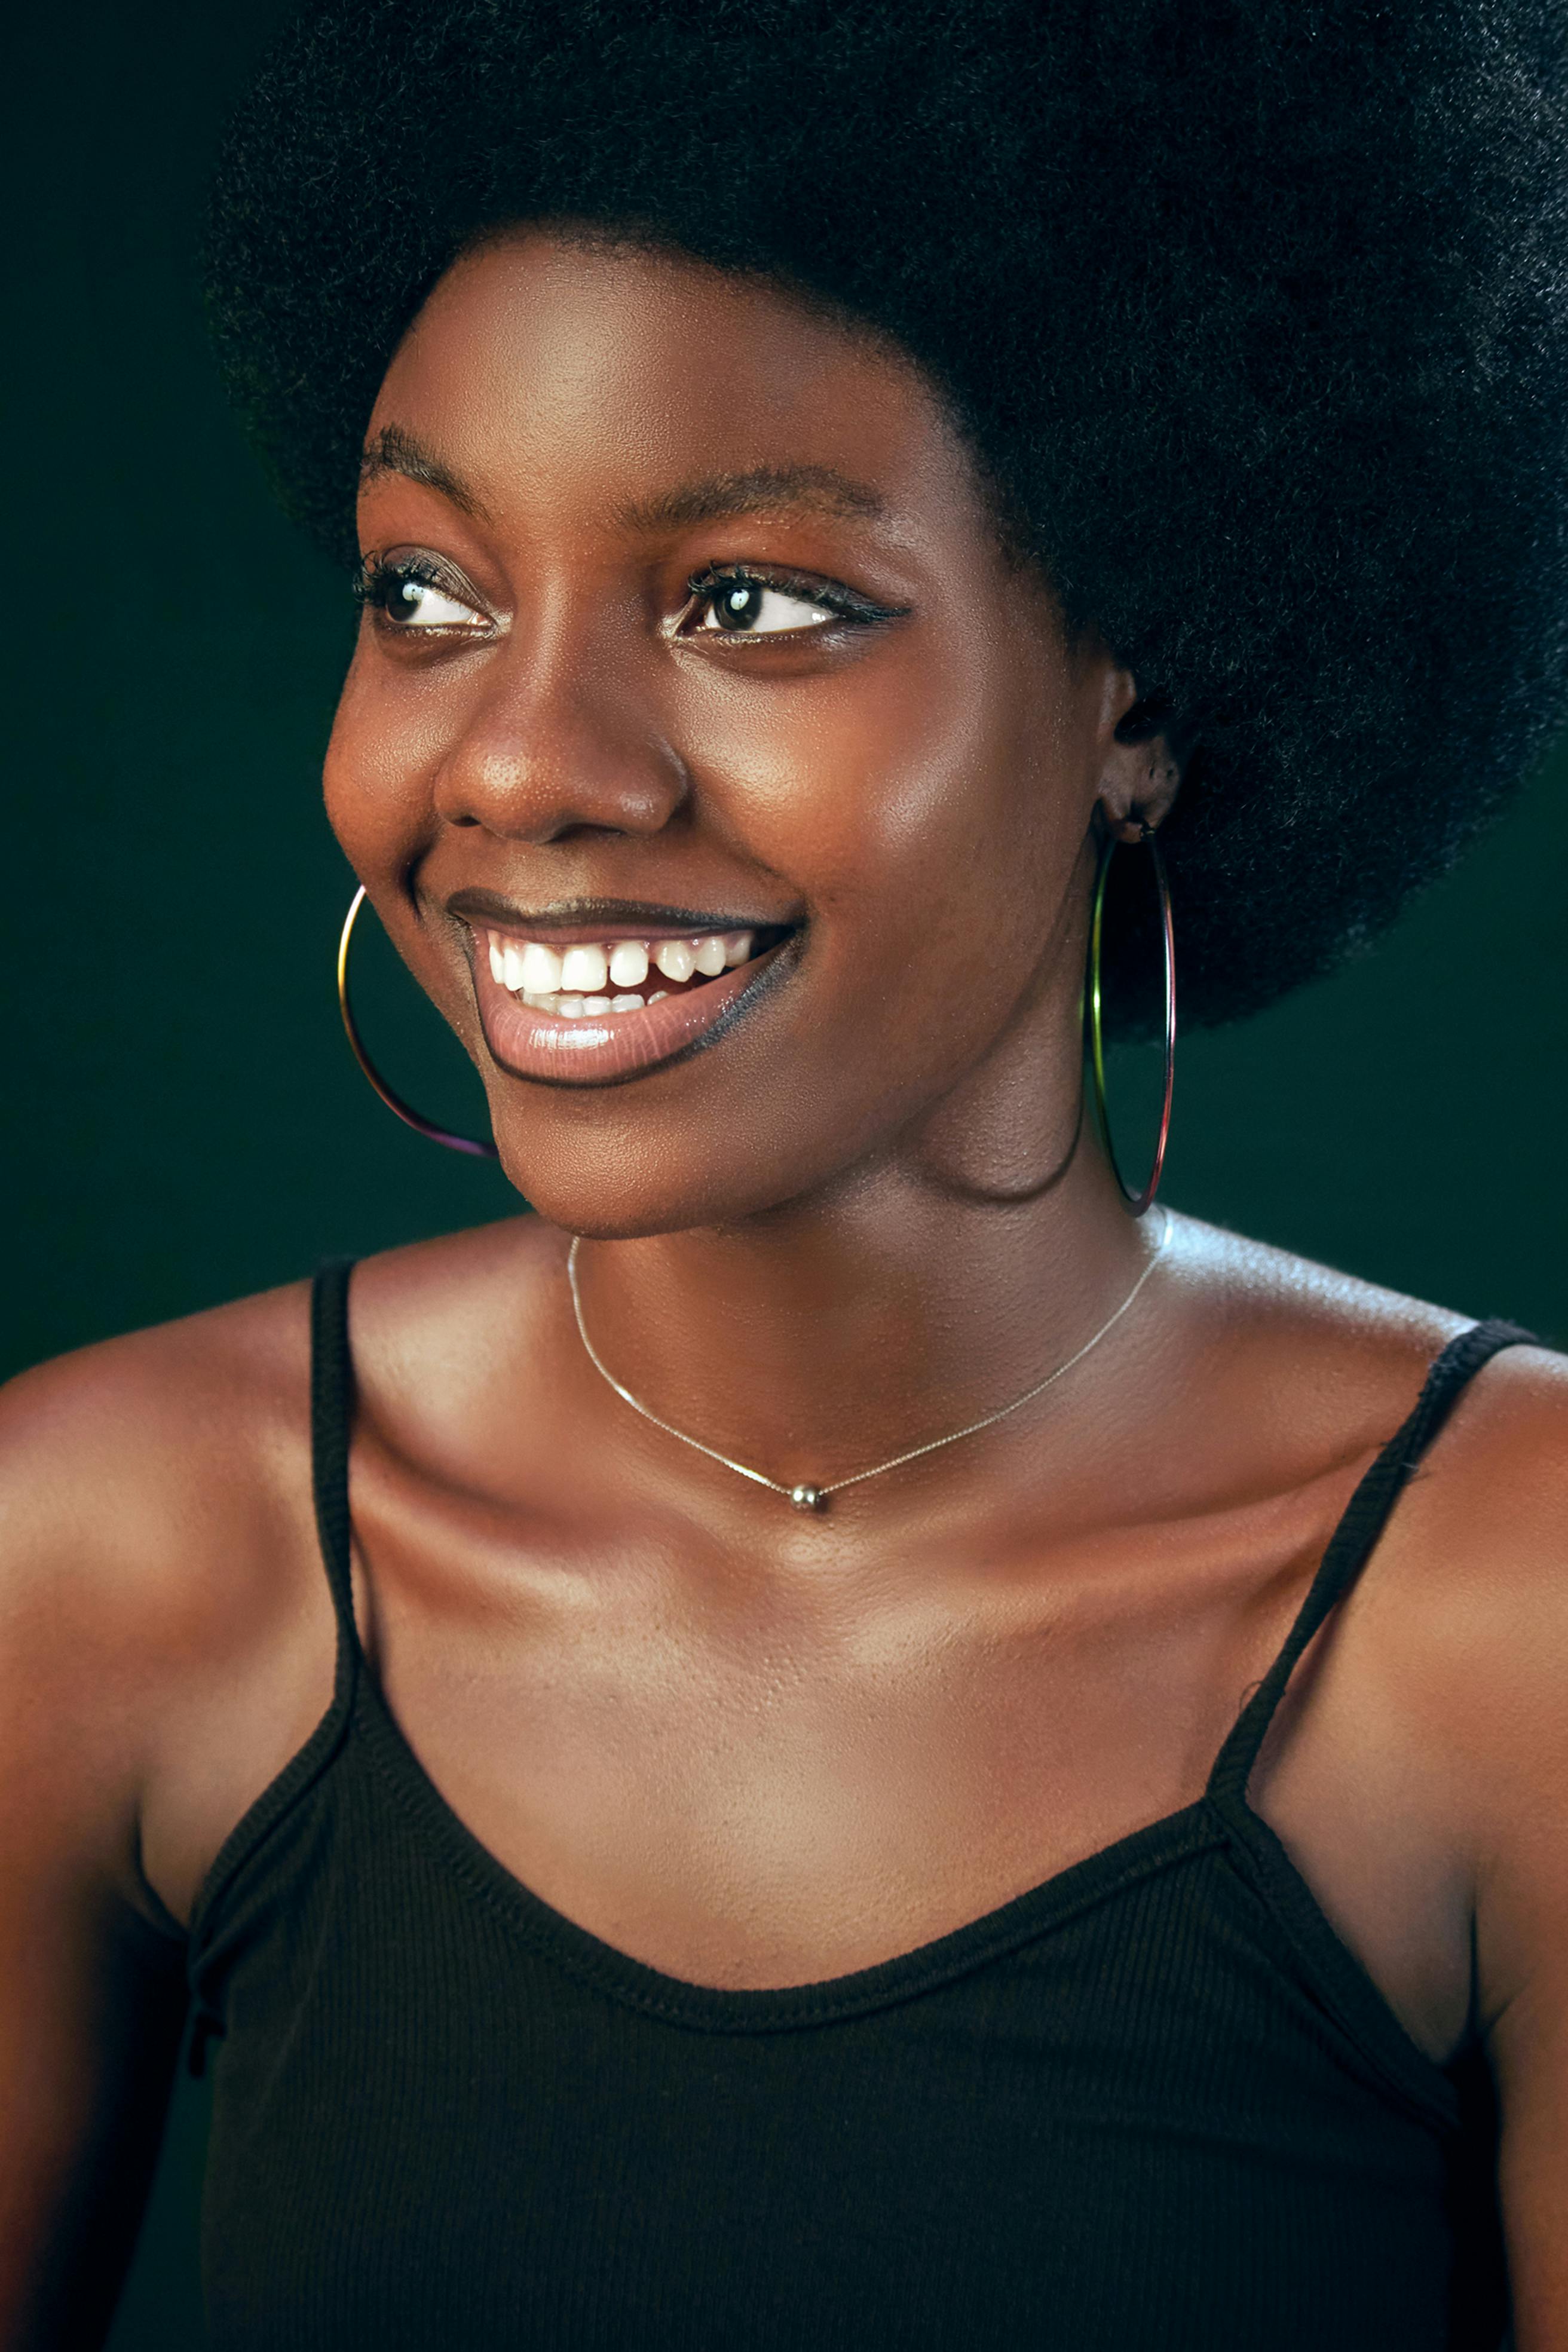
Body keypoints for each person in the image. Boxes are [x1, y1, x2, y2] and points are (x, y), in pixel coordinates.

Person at [4, 0, 1568, 2343]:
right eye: (425, 591)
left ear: (1133, 698)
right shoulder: (112, 1550)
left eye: (747, 600)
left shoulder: (1508, 1621)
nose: (520, 766)